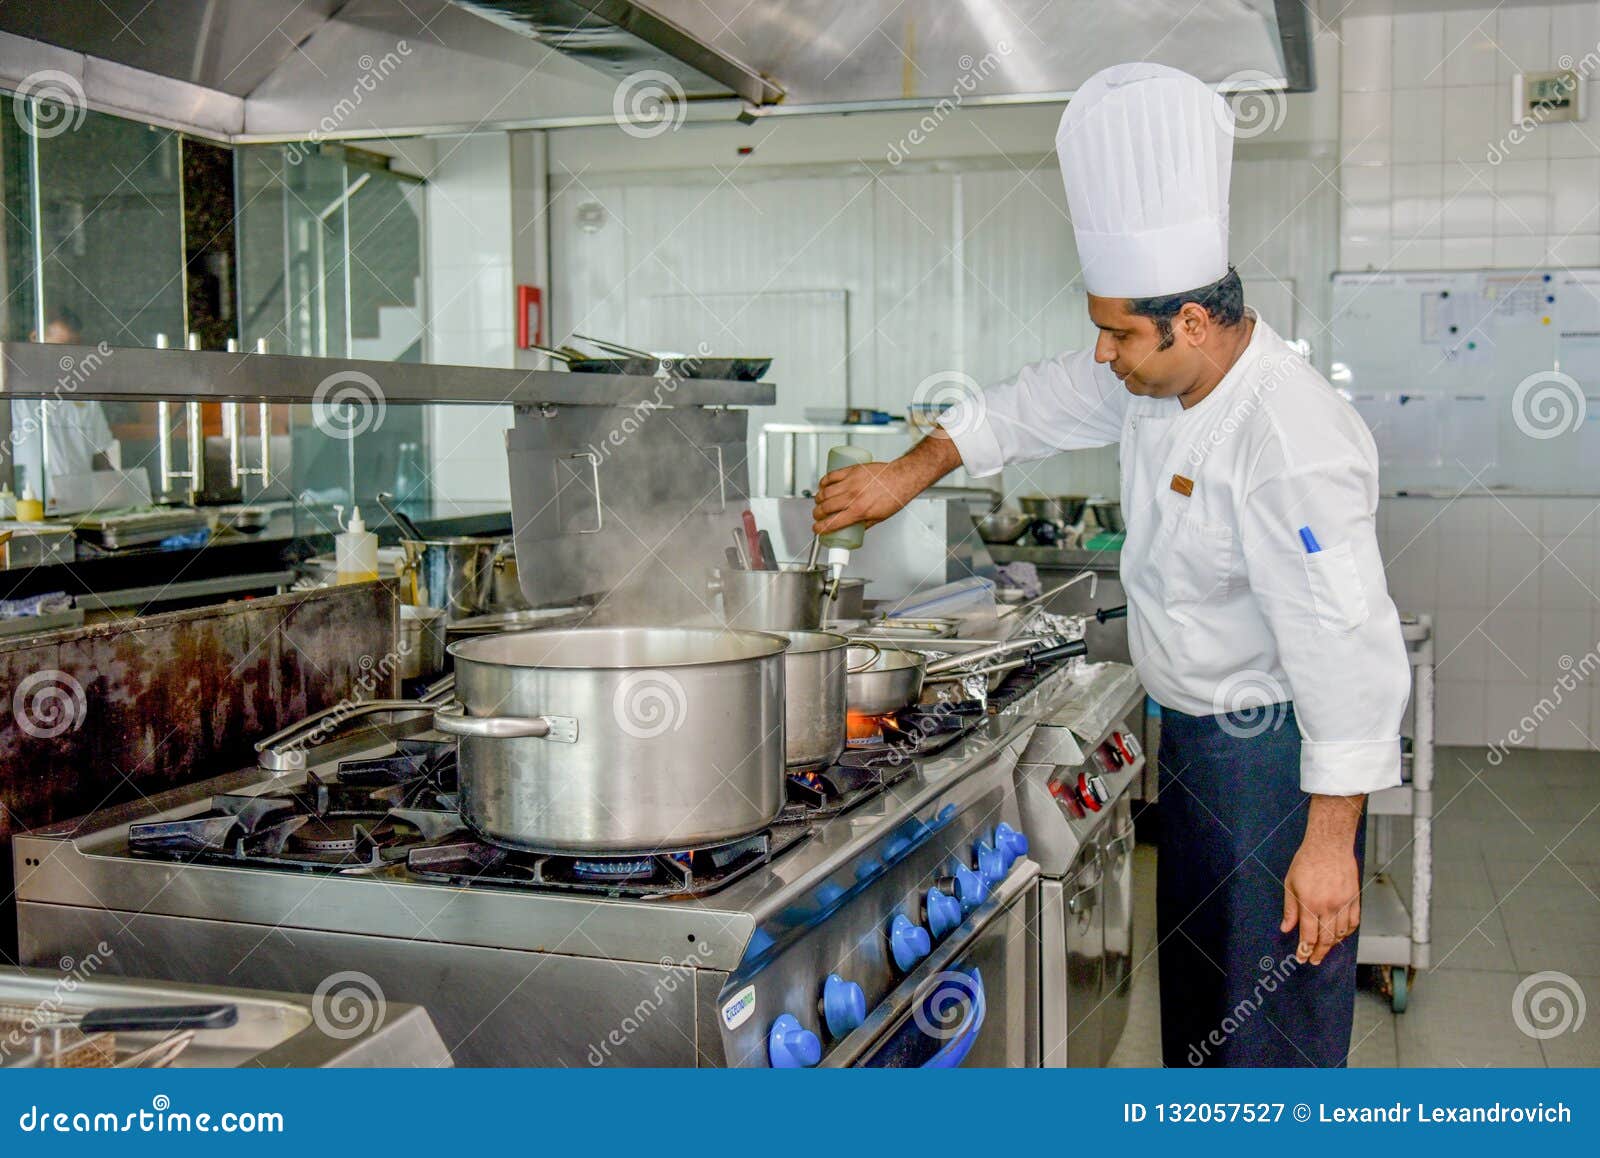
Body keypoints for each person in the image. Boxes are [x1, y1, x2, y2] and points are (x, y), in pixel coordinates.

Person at [811, 63, 1410, 1068]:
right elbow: (1028, 404)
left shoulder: (1288, 436)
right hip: (1200, 747)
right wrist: (903, 476)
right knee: (1205, 1020)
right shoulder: (1153, 384)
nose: (1101, 353)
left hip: (1273, 762)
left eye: (1116, 331)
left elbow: (1347, 649)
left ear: (1190, 321)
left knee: (1265, 1041)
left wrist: (1327, 842)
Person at [13, 304, 116, 497]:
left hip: (80, 511)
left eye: (75, 349)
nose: (69, 357)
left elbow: (100, 460)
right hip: (28, 513)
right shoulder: (14, 397)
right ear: (35, 338)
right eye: (62, 347)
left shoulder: (86, 399)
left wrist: (121, 499)